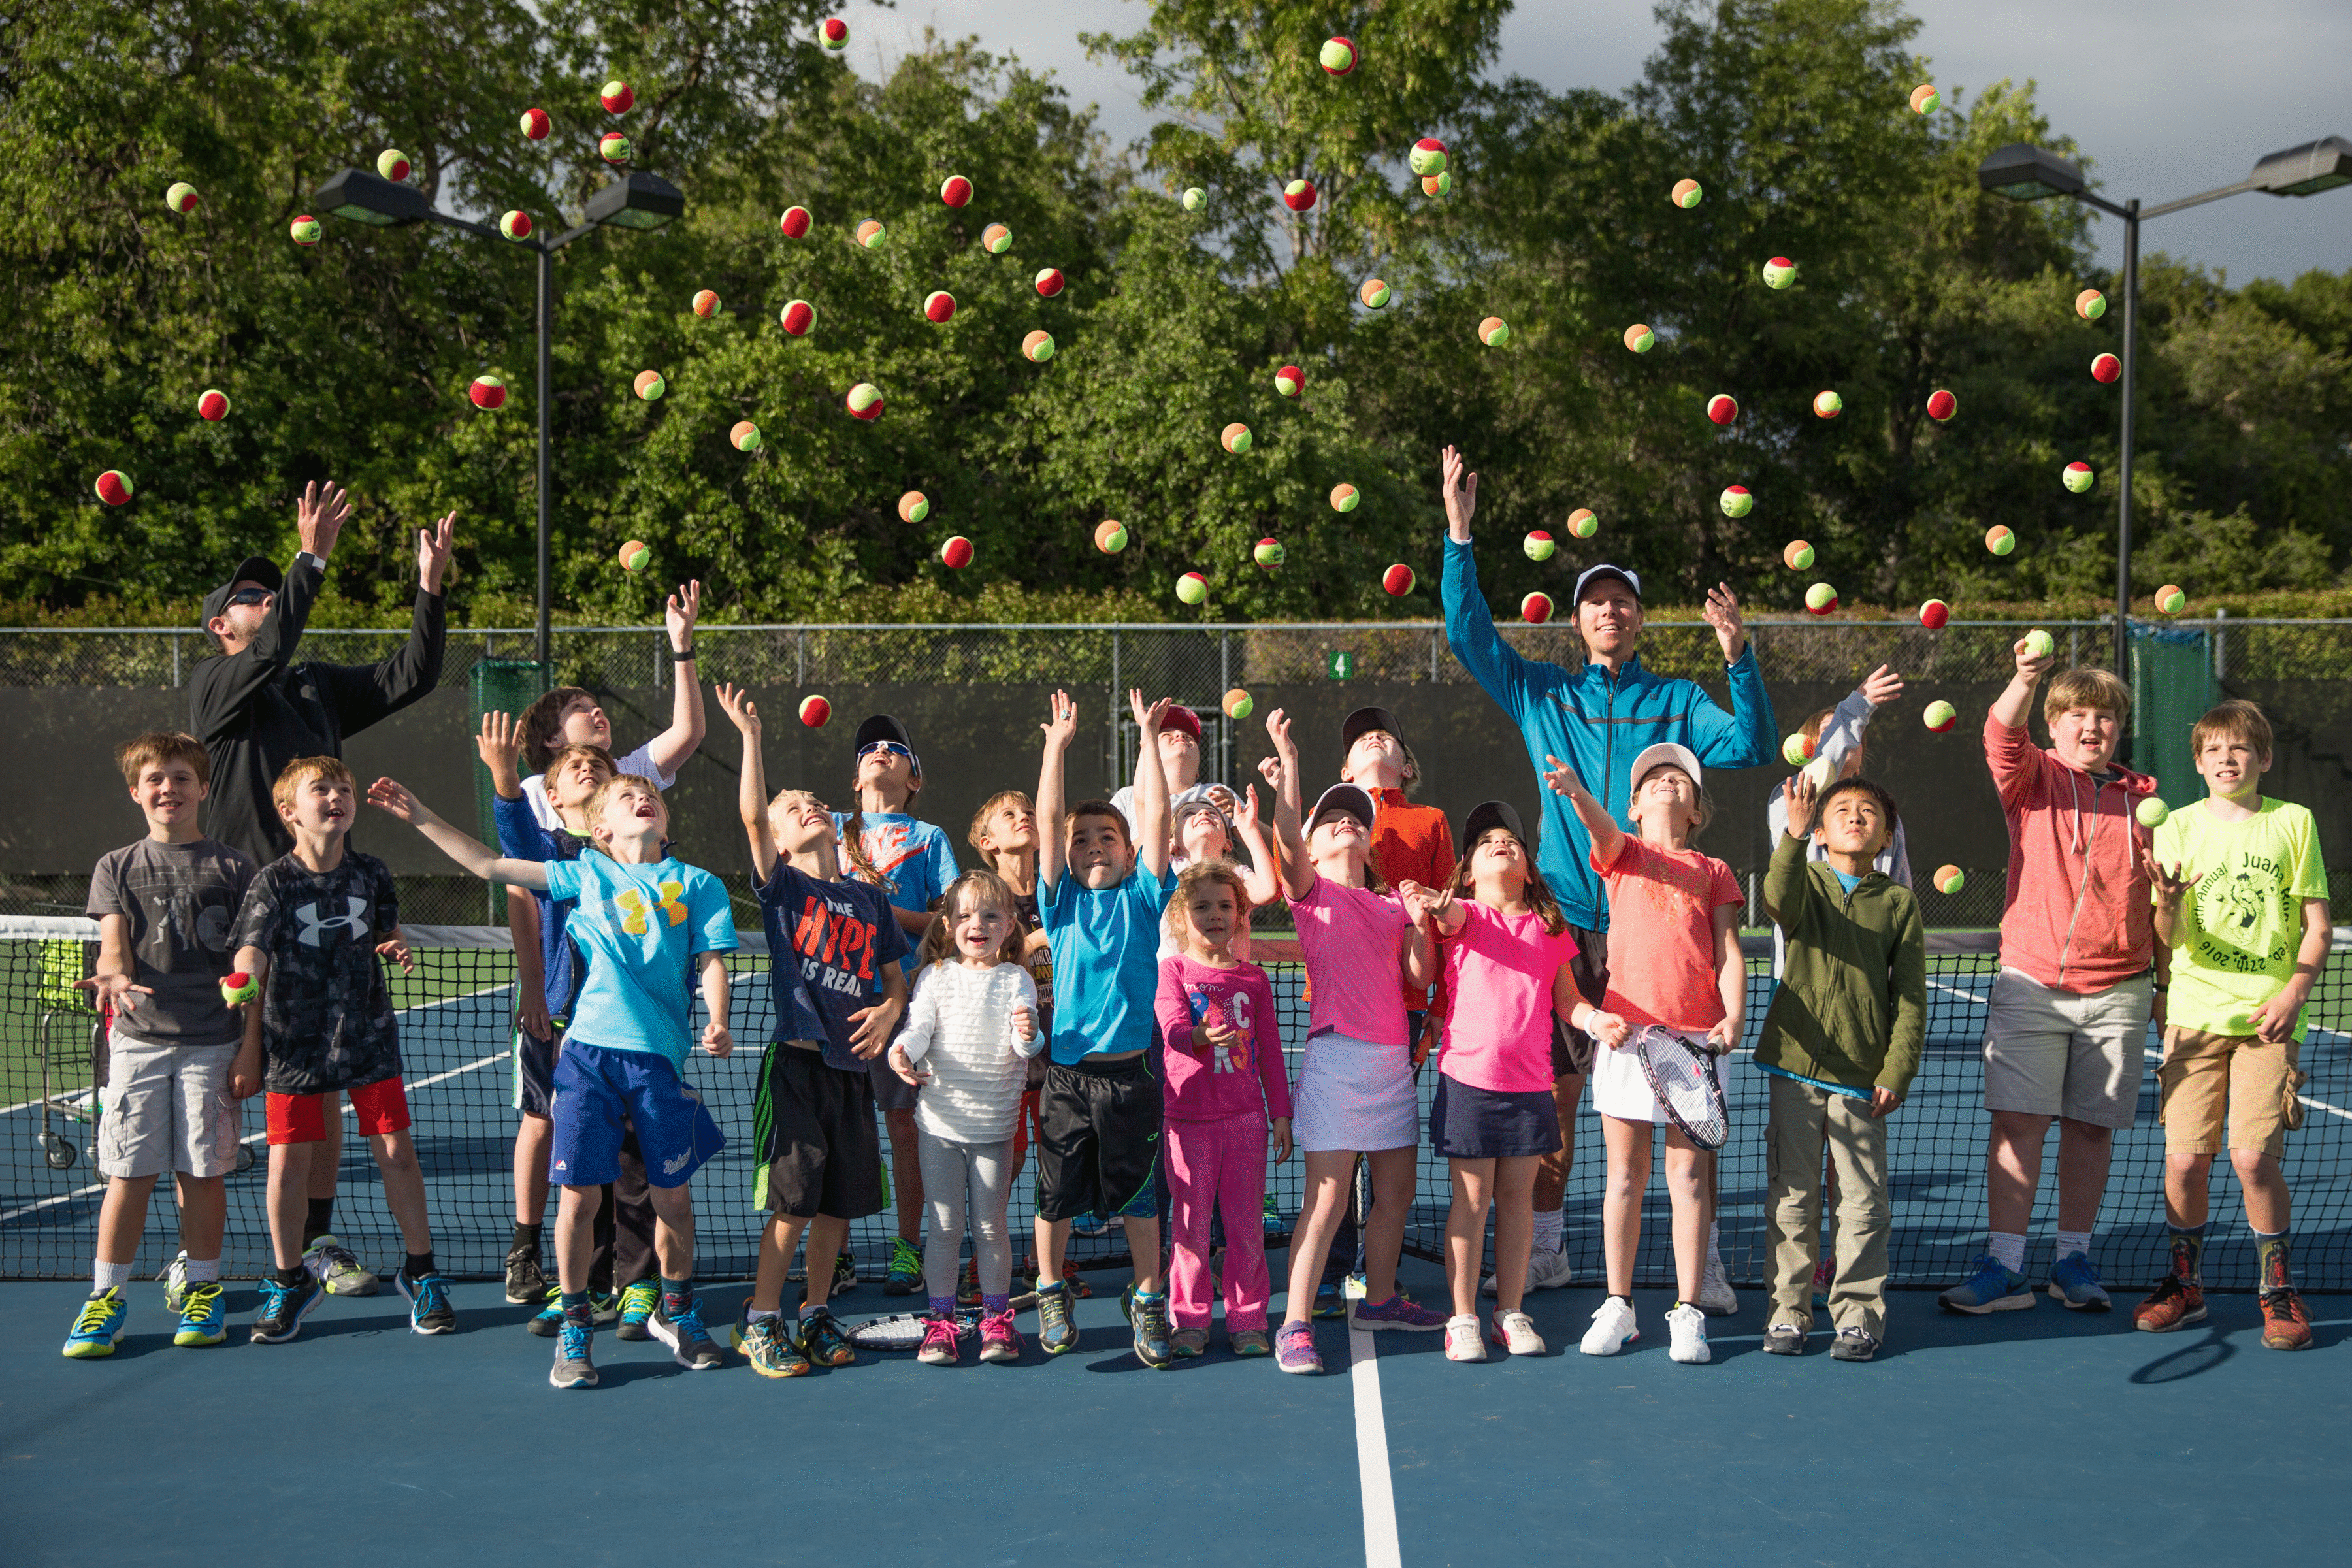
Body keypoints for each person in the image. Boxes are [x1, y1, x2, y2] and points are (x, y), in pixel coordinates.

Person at [1438, 444, 1772, 1311]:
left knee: (1686, 1080)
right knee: (1559, 1088)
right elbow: (1469, 634)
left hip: (1659, 922)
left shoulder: (1683, 701)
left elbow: (1749, 745)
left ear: (1637, 619)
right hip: (1566, 921)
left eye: (1621, 601)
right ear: (1578, 622)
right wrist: (1460, 534)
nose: (1609, 612)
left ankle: (1706, 1267)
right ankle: (1546, 1247)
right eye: (1594, 603)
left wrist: (1737, 656)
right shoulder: (1542, 694)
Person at [367, 766, 738, 1389]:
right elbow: (491, 867)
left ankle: (679, 1312)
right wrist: (421, 816)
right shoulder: (585, 873)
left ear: (666, 822)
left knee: (672, 1198)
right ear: (599, 829)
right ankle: (574, 1326)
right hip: (588, 1056)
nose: (643, 798)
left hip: (659, 1062)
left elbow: (713, 960)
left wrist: (720, 1019)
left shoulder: (699, 884)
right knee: (579, 1198)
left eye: (651, 796)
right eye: (628, 796)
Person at [191, 482, 456, 1296]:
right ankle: (194, 1254)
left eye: (271, 591)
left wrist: (430, 590)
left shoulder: (312, 687)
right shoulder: (216, 684)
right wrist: (310, 561)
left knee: (322, 1092)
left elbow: (410, 674)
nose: (264, 602)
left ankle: (313, 1243)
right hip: (241, 918)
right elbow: (271, 647)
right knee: (215, 1092)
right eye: (249, 598)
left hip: (328, 919)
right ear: (219, 625)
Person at [1940, 645, 2163, 1315]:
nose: (2092, 728)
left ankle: (2072, 1260)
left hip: (2120, 988)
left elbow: (2165, 902)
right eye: (2078, 716)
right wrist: (2027, 678)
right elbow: (2001, 733)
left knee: (2091, 1129)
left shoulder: (2146, 804)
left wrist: (2164, 989)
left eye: (2105, 718)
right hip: (2032, 982)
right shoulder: (2031, 780)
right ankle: (2006, 1266)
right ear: (2058, 724)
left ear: (2118, 730)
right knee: (2017, 1124)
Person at [505, 583, 707, 1309]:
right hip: (566, 998)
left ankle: (638, 1281)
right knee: (560, 1131)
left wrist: (681, 641)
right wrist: (536, 988)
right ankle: (547, 1265)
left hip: (645, 1004)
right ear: (555, 747)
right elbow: (517, 887)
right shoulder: (538, 792)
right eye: (580, 709)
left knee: (634, 1151)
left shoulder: (631, 784)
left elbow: (688, 730)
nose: (598, 712)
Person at [715, 686, 909, 1379]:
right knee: (793, 1203)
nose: (810, 806)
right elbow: (749, 812)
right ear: (778, 839)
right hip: (797, 1067)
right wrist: (750, 737)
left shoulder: (869, 900)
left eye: (813, 800)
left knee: (838, 1208)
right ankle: (762, 1319)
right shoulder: (785, 891)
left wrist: (890, 1011)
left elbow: (894, 978)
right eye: (791, 808)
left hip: (853, 1073)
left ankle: (816, 1313)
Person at [227, 757, 451, 1343]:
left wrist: (396, 945)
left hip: (368, 1037)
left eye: (344, 789)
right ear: (288, 812)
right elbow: (251, 951)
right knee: (285, 1165)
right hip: (293, 1048)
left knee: (398, 1152)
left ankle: (421, 1272)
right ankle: (288, 1278)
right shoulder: (273, 882)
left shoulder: (372, 873)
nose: (336, 798)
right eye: (320, 789)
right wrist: (244, 979)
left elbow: (386, 929)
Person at [1251, 713, 1446, 1375]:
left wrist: (1421, 923)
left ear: (1371, 842)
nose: (1348, 823)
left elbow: (1419, 976)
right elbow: (1283, 836)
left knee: (1396, 1193)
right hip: (1336, 1061)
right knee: (1328, 1198)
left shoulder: (1393, 904)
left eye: (1357, 820)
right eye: (1332, 819)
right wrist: (1287, 757)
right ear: (1311, 842)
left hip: (1393, 1064)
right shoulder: (1311, 893)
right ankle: (1297, 1323)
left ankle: (1382, 1297)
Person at [2138, 700, 2328, 1350]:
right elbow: (2166, 938)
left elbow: (2318, 927)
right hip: (2193, 1017)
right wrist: (2166, 902)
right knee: (2187, 1161)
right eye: (2214, 750)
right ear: (2198, 763)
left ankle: (2277, 1291)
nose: (2227, 758)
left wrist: (2295, 994)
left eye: (2240, 748)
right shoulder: (2177, 828)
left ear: (2264, 759)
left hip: (2268, 1019)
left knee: (2251, 1158)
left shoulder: (2293, 822)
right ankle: (2186, 1288)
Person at [61, 733, 257, 1359]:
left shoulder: (235, 867)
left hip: (214, 1045)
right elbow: (114, 944)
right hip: (138, 1043)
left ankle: (202, 1289)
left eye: (180, 778)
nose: (167, 788)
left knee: (202, 1173)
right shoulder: (116, 867)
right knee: (129, 1174)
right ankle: (104, 1301)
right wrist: (115, 973)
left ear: (203, 788)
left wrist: (250, 1048)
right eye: (155, 779)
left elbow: (252, 970)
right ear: (136, 793)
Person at [1548, 745, 1742, 1365]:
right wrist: (1579, 794)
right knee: (1624, 1178)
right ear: (1633, 807)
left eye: (1678, 781)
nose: (1666, 784)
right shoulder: (1624, 855)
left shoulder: (1715, 870)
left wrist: (1735, 1014)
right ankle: (1619, 1306)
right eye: (1653, 781)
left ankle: (1687, 1314)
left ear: (1696, 811)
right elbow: (1600, 830)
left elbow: (1730, 950)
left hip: (1697, 1039)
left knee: (1688, 1179)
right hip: (1628, 1039)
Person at [478, 721, 659, 1337]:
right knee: (581, 1162)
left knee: (636, 1165)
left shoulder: (643, 858)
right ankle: (581, 1281)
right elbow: (514, 843)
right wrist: (505, 780)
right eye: (572, 769)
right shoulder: (554, 854)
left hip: (635, 1034)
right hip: (569, 1027)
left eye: (600, 768)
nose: (589, 769)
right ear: (552, 798)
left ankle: (637, 1285)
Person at [1398, 802, 1588, 1364]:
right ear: (1468, 874)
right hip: (1470, 1083)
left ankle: (1510, 1311)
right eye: (1487, 844)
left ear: (1529, 870)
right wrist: (1435, 904)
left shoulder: (1550, 929)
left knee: (1517, 1202)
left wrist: (1594, 1019)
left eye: (1512, 841)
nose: (1502, 844)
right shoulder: (1467, 918)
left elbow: (1569, 1001)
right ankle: (1463, 1318)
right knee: (1472, 1201)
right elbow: (1450, 917)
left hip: (1531, 1088)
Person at [1030, 688, 1180, 1366]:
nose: (1093, 845)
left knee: (1140, 1197)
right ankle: (1050, 1287)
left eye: (1107, 837)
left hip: (1134, 1075)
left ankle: (1150, 1301)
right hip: (1067, 1077)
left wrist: (1148, 737)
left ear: (1128, 851)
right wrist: (1055, 747)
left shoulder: (1145, 898)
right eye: (1081, 840)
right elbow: (1049, 816)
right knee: (1057, 1194)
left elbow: (1157, 816)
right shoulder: (1057, 905)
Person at [1756, 769, 1925, 1363]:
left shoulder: (1900, 904)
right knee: (1793, 1198)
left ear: (1886, 839)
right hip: (1794, 1069)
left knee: (1863, 1202)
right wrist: (1793, 838)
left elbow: (1909, 999)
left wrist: (1894, 1073)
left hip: (1860, 1080)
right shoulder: (1805, 879)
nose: (1857, 816)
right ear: (1823, 833)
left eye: (1870, 812)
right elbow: (1778, 900)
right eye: (1843, 810)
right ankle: (1787, 1314)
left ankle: (1857, 1316)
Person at [1763, 664, 1913, 1308]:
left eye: (1851, 743)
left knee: (1853, 1179)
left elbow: (1899, 931)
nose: (1845, 751)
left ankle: (1844, 1278)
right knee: (1795, 1177)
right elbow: (1782, 892)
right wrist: (1856, 706)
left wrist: (1894, 1057)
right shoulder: (1792, 809)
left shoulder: (1882, 824)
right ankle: (1790, 1298)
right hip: (1800, 1020)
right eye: (1829, 743)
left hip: (1859, 1032)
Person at [887, 869, 1044, 1366]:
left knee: (992, 1227)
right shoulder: (935, 978)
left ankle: (997, 1322)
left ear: (1010, 927)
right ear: (949, 924)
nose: (978, 924)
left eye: (991, 915)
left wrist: (1029, 1031)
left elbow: (1029, 1048)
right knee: (946, 1225)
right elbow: (918, 1028)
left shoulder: (1017, 979)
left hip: (995, 1128)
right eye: (966, 915)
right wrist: (902, 1053)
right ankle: (941, 1323)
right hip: (940, 1127)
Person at [836, 713, 960, 1298]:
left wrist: (877, 910)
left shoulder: (929, 837)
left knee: (904, 1129)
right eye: (869, 750)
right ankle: (833, 1252)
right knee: (835, 1130)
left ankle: (909, 1246)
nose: (881, 752)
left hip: (902, 1001)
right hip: (829, 1003)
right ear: (855, 778)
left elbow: (948, 921)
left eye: (895, 749)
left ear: (915, 778)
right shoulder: (831, 828)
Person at [1154, 859, 1294, 1358]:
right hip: (1187, 1123)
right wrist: (1196, 1035)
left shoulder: (1254, 979)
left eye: (1225, 906)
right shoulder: (1172, 970)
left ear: (1239, 916)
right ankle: (1189, 1320)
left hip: (1245, 1123)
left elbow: (1272, 1053)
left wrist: (1280, 1114)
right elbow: (1171, 1027)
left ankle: (1248, 1318)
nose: (1215, 915)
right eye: (1202, 906)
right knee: (1188, 1230)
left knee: (1245, 1228)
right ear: (1181, 916)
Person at [968, 790, 1066, 1299]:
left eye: (1029, 810)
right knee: (1007, 1163)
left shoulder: (1059, 890)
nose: (1024, 816)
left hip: (1061, 1058)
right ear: (989, 842)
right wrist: (1030, 943)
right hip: (1005, 1059)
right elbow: (971, 966)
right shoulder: (982, 899)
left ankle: (1045, 1262)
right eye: (1009, 814)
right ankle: (982, 1261)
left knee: (1059, 1157)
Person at [1109, 699, 1217, 837]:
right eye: (1167, 734)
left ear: (1197, 771)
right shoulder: (1127, 798)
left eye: (1189, 737)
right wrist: (1148, 733)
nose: (1180, 735)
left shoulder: (1218, 794)